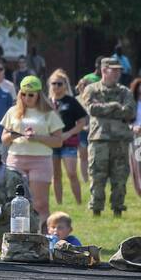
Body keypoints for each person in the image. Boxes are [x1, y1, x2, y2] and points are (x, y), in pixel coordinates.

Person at [0, 75, 63, 233]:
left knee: (40, 204)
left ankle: (41, 238)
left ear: (38, 95)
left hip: (41, 160)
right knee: (14, 201)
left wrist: (37, 137)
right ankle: (15, 235)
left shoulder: (49, 113)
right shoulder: (13, 111)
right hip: (16, 159)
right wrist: (14, 135)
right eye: (23, 94)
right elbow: (4, 139)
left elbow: (58, 141)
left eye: (31, 95)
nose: (27, 98)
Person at [79, 57, 136, 216]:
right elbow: (91, 109)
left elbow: (130, 112)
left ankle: (118, 208)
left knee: (120, 176)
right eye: (114, 70)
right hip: (99, 139)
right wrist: (115, 106)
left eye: (119, 70)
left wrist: (104, 108)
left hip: (120, 140)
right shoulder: (92, 89)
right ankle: (96, 209)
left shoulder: (125, 91)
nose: (118, 73)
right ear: (104, 70)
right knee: (97, 175)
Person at [46, 69, 86, 205]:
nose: (56, 86)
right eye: (53, 83)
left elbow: (82, 122)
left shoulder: (71, 101)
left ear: (65, 85)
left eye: (59, 84)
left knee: (72, 173)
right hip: (52, 143)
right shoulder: (46, 103)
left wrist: (68, 133)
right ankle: (59, 204)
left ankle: (79, 203)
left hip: (68, 142)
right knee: (56, 175)